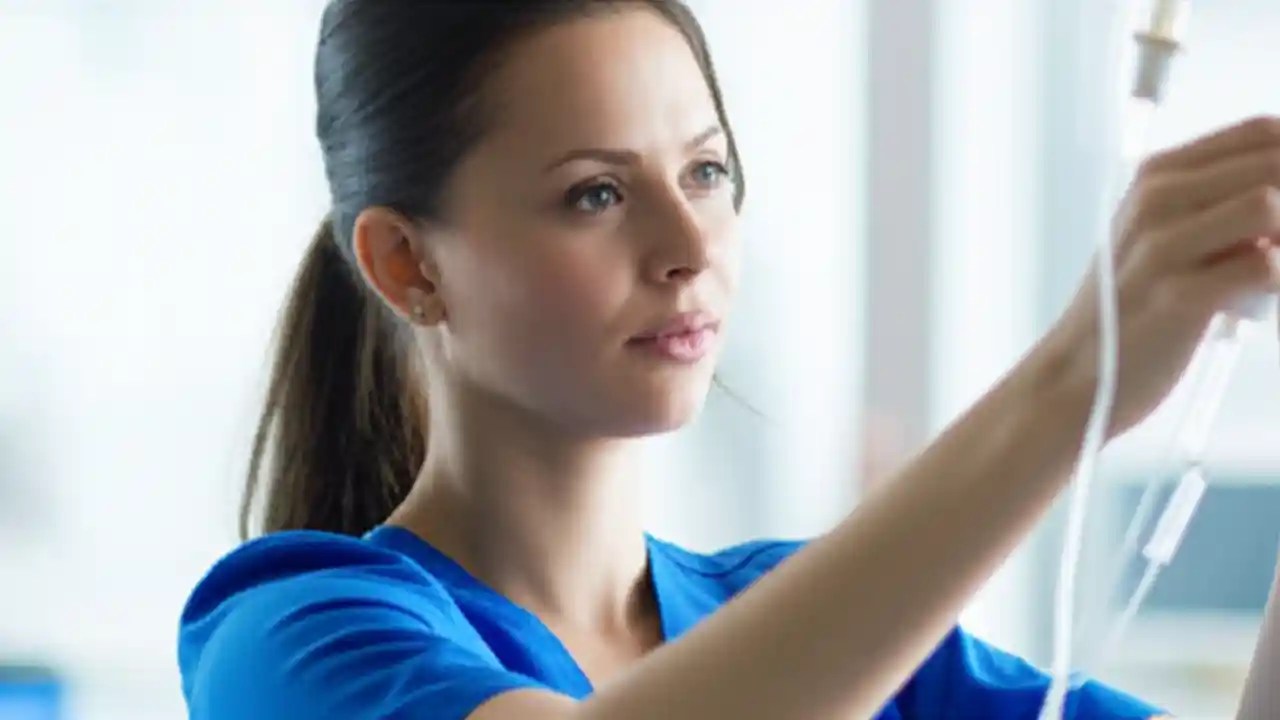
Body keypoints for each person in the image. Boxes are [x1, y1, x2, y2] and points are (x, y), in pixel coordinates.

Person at [176, 1, 1280, 718]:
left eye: (705, 173)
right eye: (595, 194)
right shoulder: (292, 639)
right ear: (407, 262)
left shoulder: (841, 631)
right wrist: (1076, 380)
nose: (690, 246)